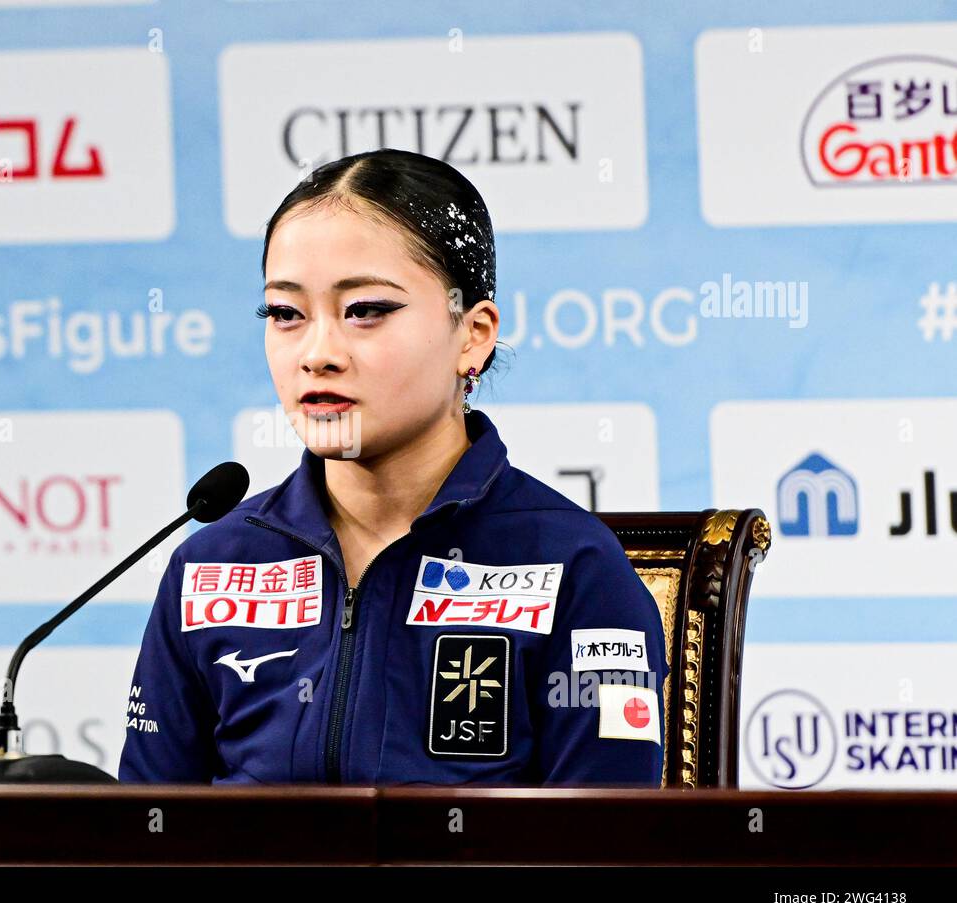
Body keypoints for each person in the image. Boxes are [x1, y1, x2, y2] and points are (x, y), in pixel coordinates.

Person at [118, 148, 667, 785]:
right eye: (285, 314)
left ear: (473, 333)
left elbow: (604, 861)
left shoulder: (573, 566)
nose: (318, 353)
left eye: (367, 311)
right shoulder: (210, 566)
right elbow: (148, 844)